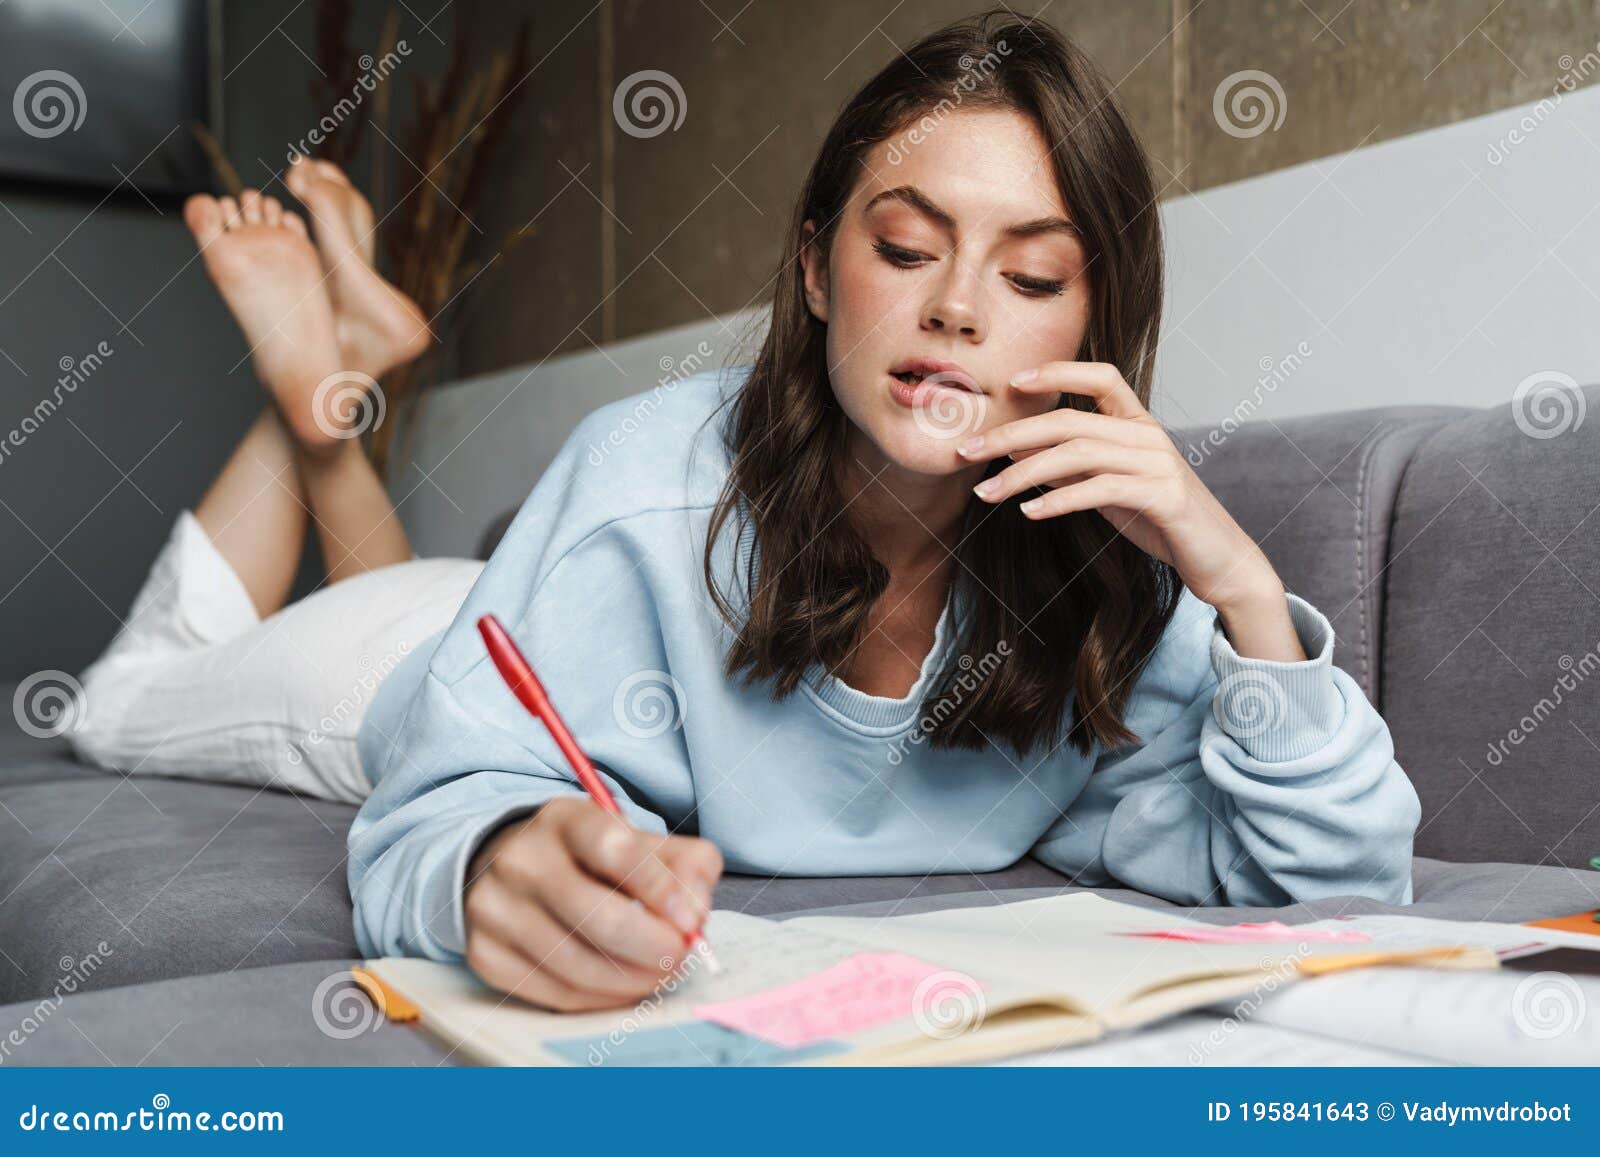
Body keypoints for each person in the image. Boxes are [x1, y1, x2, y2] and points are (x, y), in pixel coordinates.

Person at [72, 10, 1421, 1016]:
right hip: (393, 668)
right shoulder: (642, 482)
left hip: (528, 619)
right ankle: (316, 404)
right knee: (123, 698)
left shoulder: (1103, 570)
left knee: (431, 587)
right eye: (905, 246)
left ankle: (340, 393)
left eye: (1034, 275)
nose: (956, 303)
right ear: (820, 271)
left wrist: (1238, 580)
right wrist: (491, 859)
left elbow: (1340, 884)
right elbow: (433, 799)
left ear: (1096, 326)